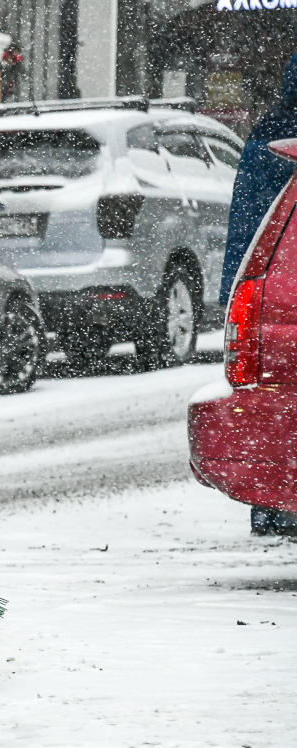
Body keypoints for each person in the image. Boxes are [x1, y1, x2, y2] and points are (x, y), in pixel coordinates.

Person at [220, 53, 297, 536]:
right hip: (275, 287)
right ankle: (273, 512)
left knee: (271, 401)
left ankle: (270, 510)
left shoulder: (268, 136)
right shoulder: (281, 142)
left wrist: (238, 293)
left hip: (269, 286)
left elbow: (249, 230)